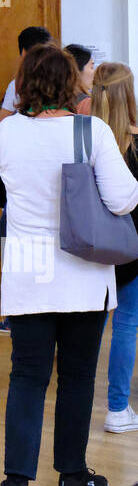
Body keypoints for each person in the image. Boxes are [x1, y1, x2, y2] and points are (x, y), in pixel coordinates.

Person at [0, 43, 138, 486]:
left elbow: (5, 191)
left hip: (28, 274)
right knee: (76, 379)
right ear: (70, 83)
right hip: (82, 275)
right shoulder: (90, 131)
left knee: (27, 378)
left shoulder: (8, 132)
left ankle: (15, 485)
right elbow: (123, 200)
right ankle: (73, 477)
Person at [0, 25, 54, 333]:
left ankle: (27, 318)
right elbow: (0, 129)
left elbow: (1, 129)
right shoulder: (16, 86)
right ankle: (18, 317)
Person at [89, 62, 138, 433]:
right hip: (133, 251)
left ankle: (81, 401)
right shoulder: (135, 143)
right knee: (127, 326)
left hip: (89, 249)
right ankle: (118, 407)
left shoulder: (82, 139)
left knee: (89, 328)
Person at [65, 43, 95, 115]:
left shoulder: (54, 102)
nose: (95, 73)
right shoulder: (88, 104)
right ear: (76, 71)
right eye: (92, 67)